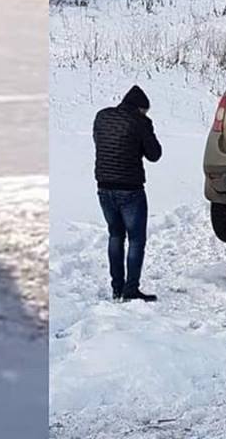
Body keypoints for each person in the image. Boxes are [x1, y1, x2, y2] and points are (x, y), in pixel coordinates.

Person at [93, 85, 162, 303]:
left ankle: (117, 288)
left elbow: (101, 143)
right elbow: (154, 154)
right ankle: (131, 289)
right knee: (136, 239)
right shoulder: (140, 122)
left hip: (104, 187)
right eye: (145, 111)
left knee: (115, 236)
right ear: (141, 108)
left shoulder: (101, 117)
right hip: (130, 189)